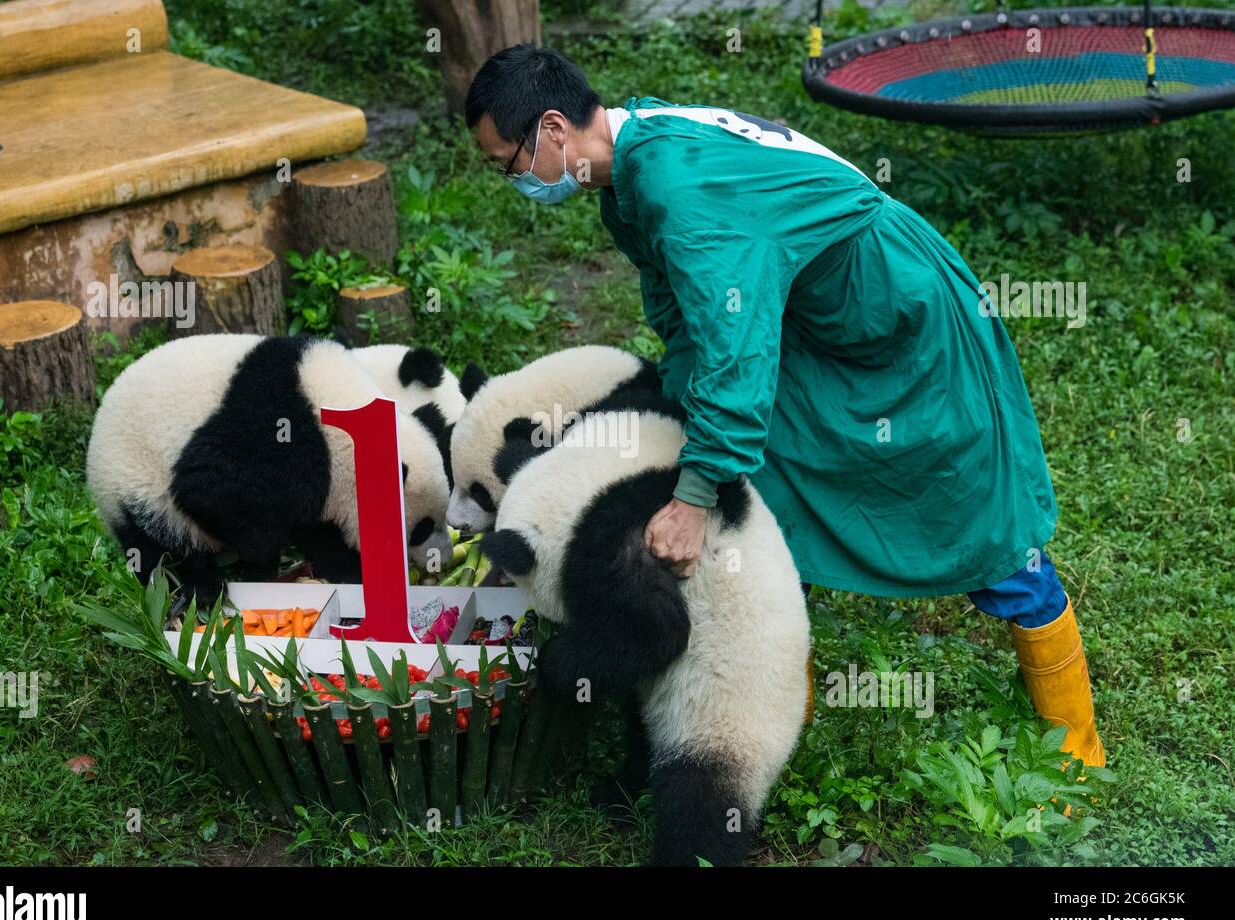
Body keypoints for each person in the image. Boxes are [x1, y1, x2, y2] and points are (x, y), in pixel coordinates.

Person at [463, 44, 1104, 767]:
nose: (510, 178)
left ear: (551, 129)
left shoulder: (681, 189)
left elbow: (734, 348)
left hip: (903, 317)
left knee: (976, 519)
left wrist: (695, 496)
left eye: (505, 161)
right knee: (772, 484)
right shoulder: (627, 160)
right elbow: (686, 316)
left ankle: (1077, 751)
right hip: (812, 319)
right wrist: (680, 420)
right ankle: (773, 723)